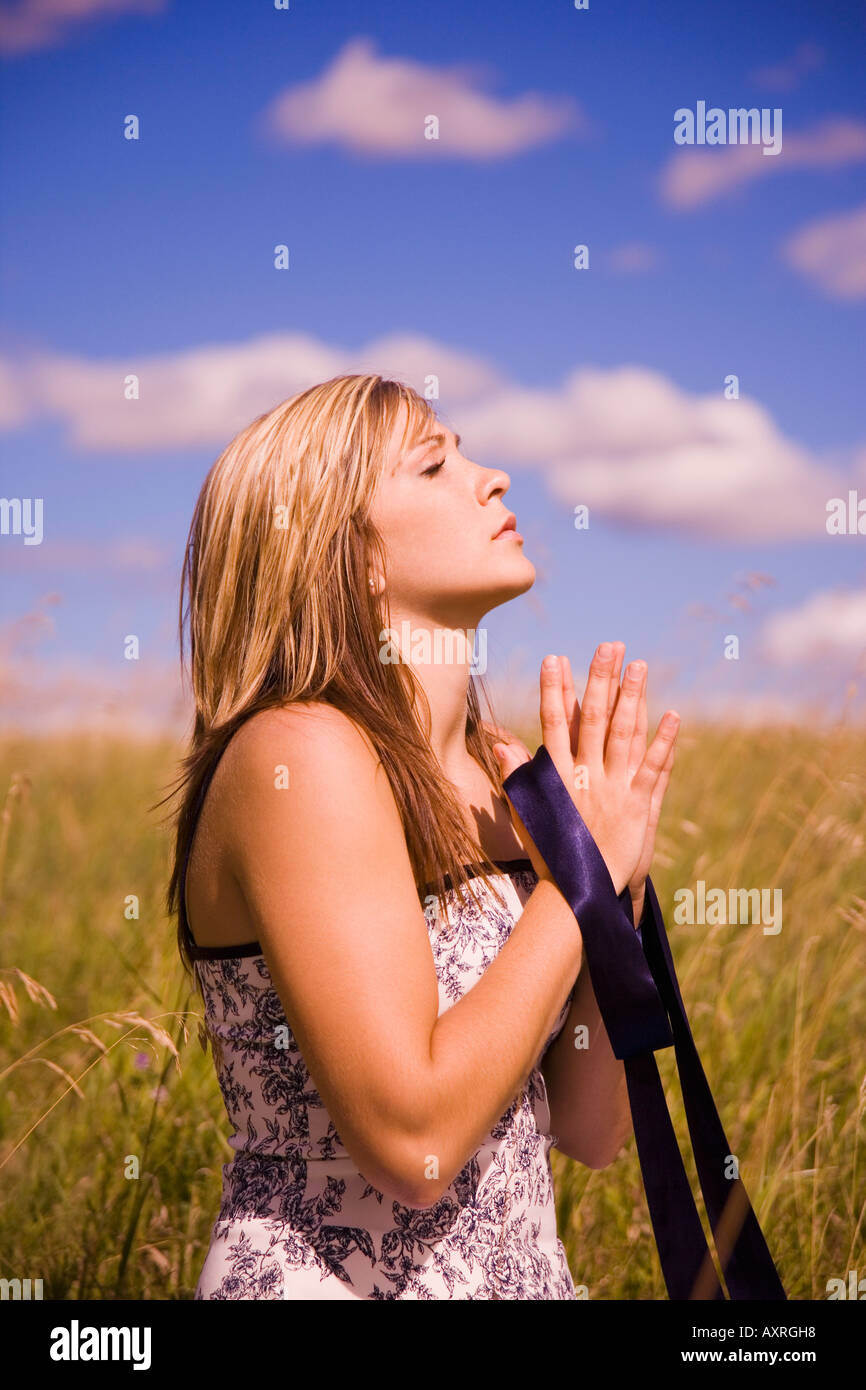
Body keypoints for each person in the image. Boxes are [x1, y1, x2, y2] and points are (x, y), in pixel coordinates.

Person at [165, 372, 679, 1299]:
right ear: (352, 557)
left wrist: (615, 881)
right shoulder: (301, 756)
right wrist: (572, 894)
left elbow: (591, 1130)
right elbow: (415, 1142)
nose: (495, 479)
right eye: (435, 464)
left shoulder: (501, 774)